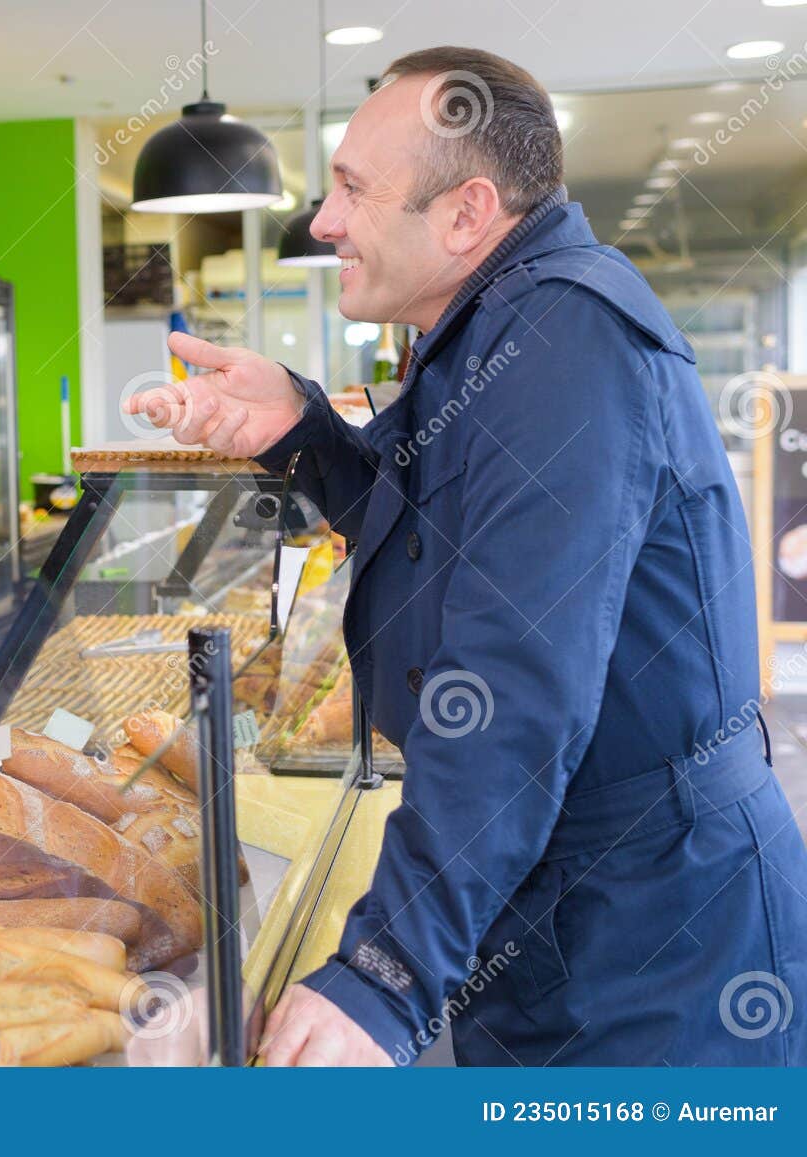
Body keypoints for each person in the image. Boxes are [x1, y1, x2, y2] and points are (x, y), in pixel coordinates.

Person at [131, 48, 807, 1066]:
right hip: (572, 898)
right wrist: (300, 431)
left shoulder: (564, 341)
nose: (321, 221)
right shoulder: (499, 324)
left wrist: (383, 970)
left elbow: (514, 675)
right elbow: (445, 540)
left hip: (658, 934)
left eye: (352, 189)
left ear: (464, 214)